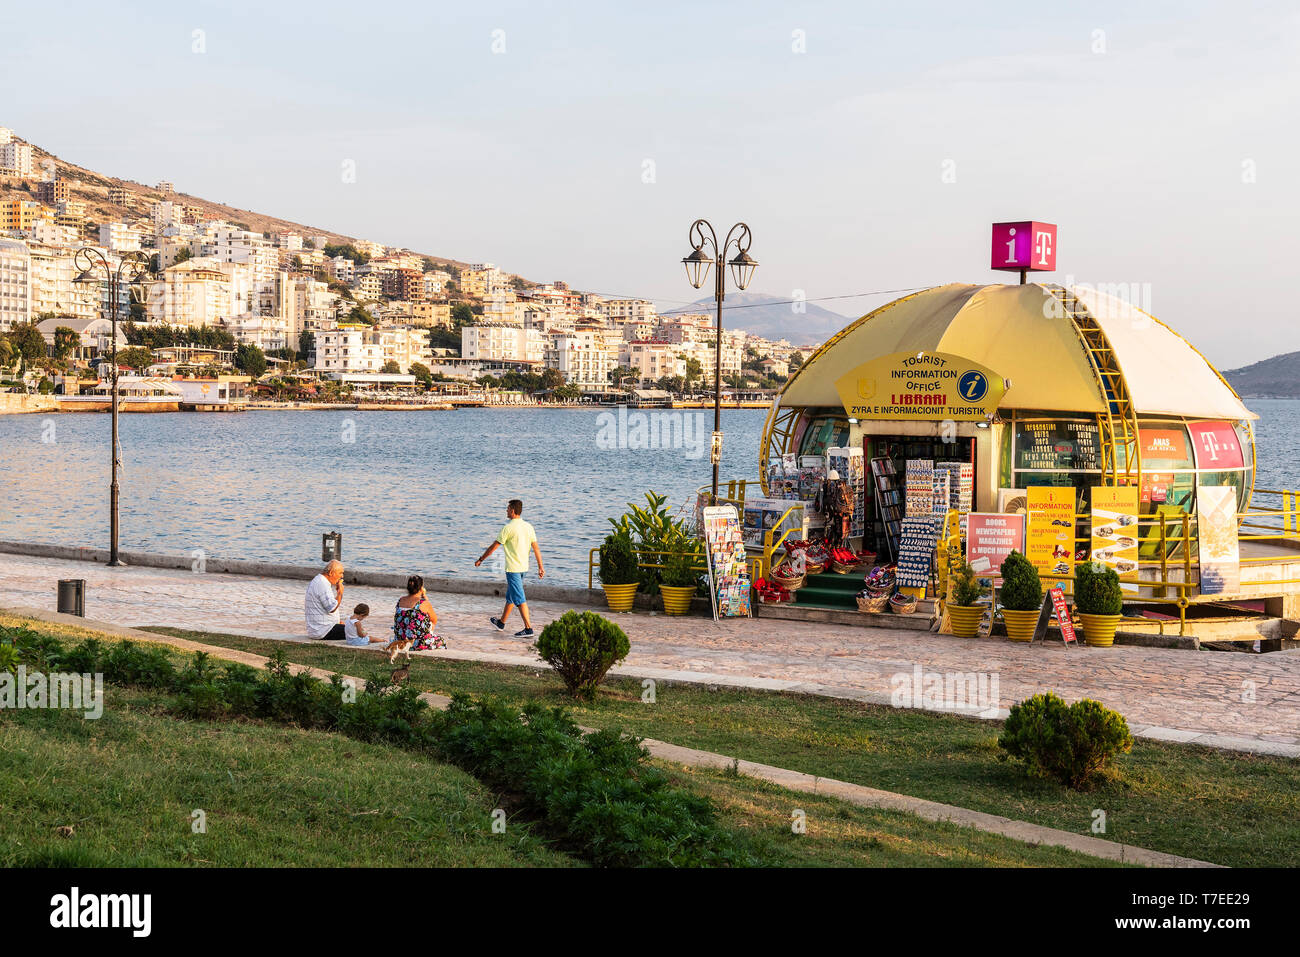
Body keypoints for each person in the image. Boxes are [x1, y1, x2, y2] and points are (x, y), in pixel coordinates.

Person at [475, 498, 544, 638]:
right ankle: (501, 623)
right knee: (511, 596)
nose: (506, 511)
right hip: (524, 567)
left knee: (519, 598)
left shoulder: (507, 528)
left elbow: (494, 547)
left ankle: (528, 628)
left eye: (507, 509)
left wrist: (481, 559)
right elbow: (536, 548)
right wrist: (540, 567)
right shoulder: (528, 527)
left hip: (513, 569)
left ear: (512, 510)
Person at [390, 575, 443, 653]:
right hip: (418, 644)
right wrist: (424, 595)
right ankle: (428, 637)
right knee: (441, 641)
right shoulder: (423, 603)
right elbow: (434, 620)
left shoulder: (401, 600)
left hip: (400, 642)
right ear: (421, 588)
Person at [305, 560, 346, 640]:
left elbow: (327, 605)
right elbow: (332, 608)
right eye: (340, 573)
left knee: (350, 627)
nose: (342, 576)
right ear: (331, 573)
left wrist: (337, 622)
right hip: (324, 630)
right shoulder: (322, 584)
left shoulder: (320, 580)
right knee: (355, 630)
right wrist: (340, 593)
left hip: (320, 628)